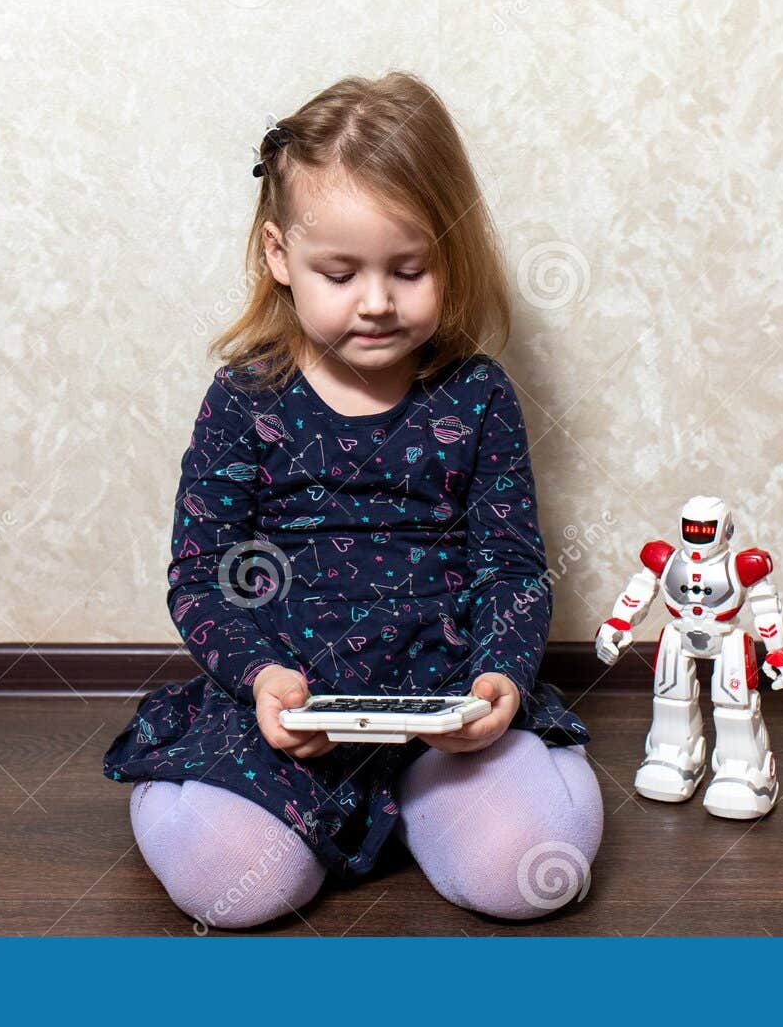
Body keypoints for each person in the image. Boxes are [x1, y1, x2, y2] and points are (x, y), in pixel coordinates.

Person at [102, 72, 602, 928]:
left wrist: (501, 679)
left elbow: (512, 565)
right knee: (237, 889)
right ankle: (188, 783)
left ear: (452, 254)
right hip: (288, 709)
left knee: (532, 872)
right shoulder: (246, 398)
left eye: (410, 269)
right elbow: (200, 574)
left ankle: (435, 802)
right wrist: (259, 678)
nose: (376, 300)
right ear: (278, 257)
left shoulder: (475, 395)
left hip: (440, 708)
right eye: (340, 272)